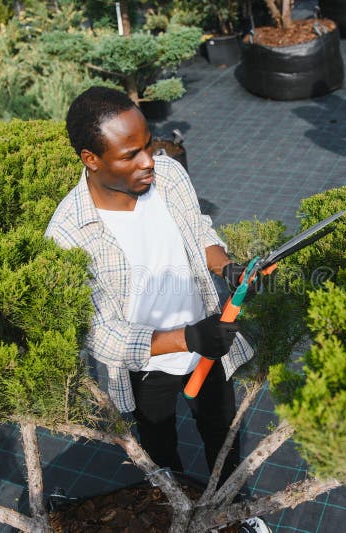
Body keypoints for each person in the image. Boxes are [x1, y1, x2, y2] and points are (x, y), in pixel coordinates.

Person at [45, 87, 270, 532]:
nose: (149, 160)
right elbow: (100, 333)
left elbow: (198, 228)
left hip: (208, 344)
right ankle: (177, 514)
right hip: (147, 365)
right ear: (91, 159)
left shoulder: (167, 175)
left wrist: (227, 267)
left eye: (148, 144)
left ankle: (233, 511)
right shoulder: (69, 233)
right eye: (131, 154)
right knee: (161, 453)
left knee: (223, 437)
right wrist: (186, 337)